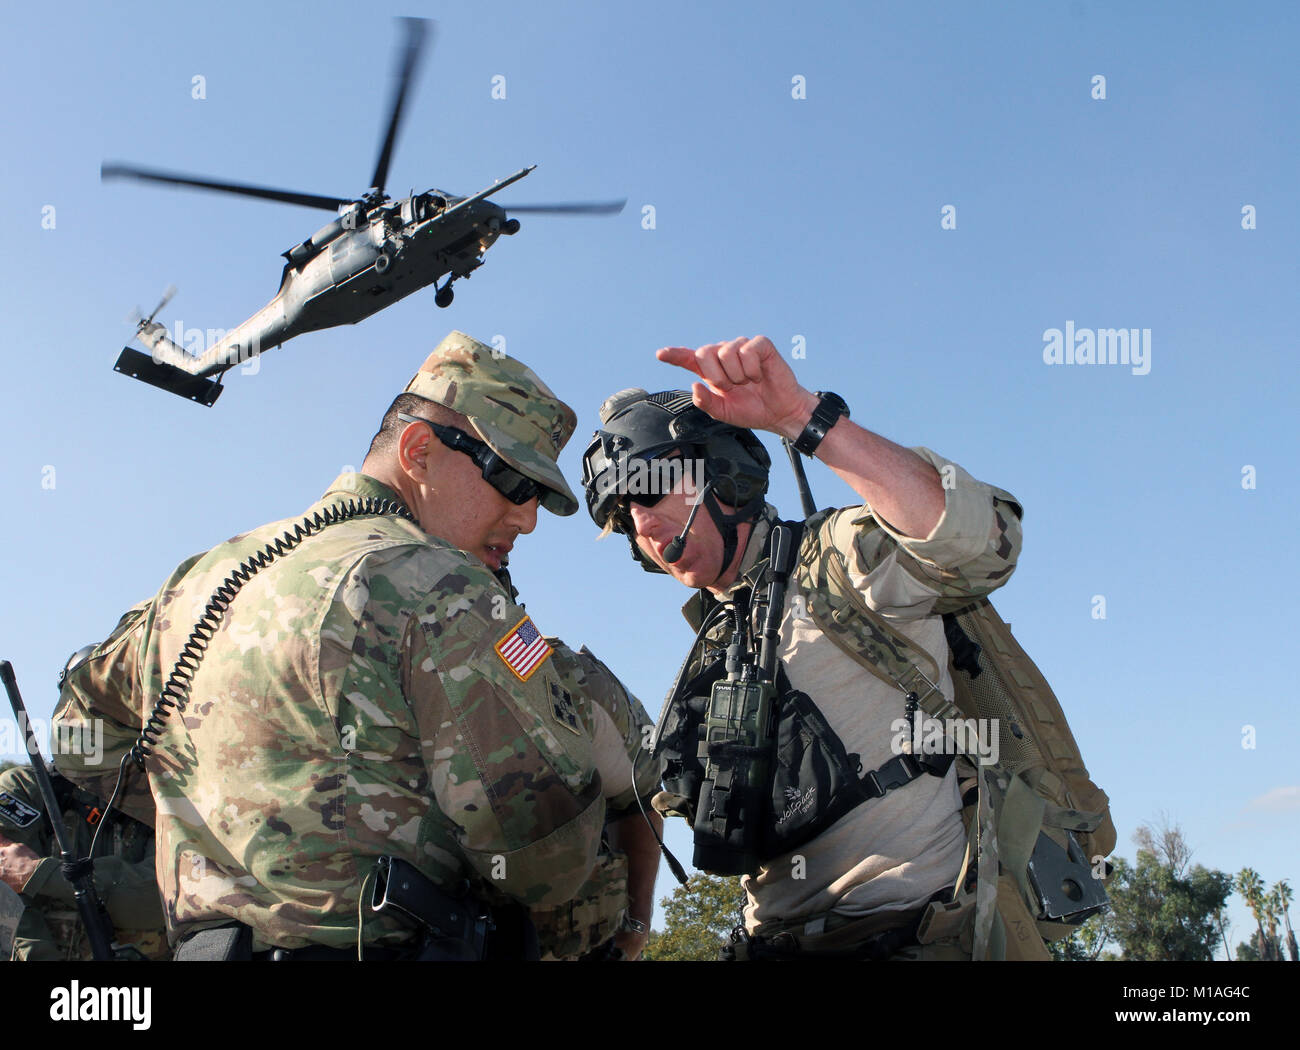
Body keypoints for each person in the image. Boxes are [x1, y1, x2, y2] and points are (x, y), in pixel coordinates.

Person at [54, 330, 660, 961]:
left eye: (538, 495)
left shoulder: (195, 582)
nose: (527, 517)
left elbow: (77, 737)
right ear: (419, 449)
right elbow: (544, 862)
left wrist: (223, 811)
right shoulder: (439, 584)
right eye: (509, 480)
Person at [581, 335, 1025, 960]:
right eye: (624, 515)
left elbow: (978, 544)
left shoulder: (837, 561)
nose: (643, 524)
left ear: (723, 472)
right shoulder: (714, 641)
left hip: (905, 934)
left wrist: (800, 418)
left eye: (650, 492)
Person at [0, 763, 168, 960]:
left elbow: (159, 900)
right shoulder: (26, 786)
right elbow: (6, 878)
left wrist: (41, 874)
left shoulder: (169, 796)